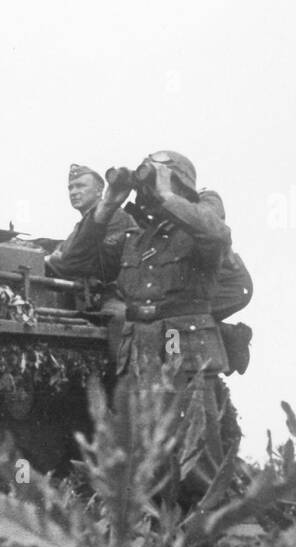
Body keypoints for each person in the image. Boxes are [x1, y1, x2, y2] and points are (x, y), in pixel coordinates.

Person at [95, 150, 235, 488]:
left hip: (186, 357)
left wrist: (168, 194)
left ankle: (199, 537)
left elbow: (216, 233)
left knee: (194, 459)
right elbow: (76, 261)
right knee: (143, 457)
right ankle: (151, 534)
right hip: (141, 356)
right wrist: (106, 207)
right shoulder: (136, 237)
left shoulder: (200, 226)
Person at [44, 164, 139, 286]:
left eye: (80, 186)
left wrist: (56, 259)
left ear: (99, 190)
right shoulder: (82, 224)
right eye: (70, 188)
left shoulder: (114, 216)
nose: (73, 192)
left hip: (112, 293)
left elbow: (94, 264)